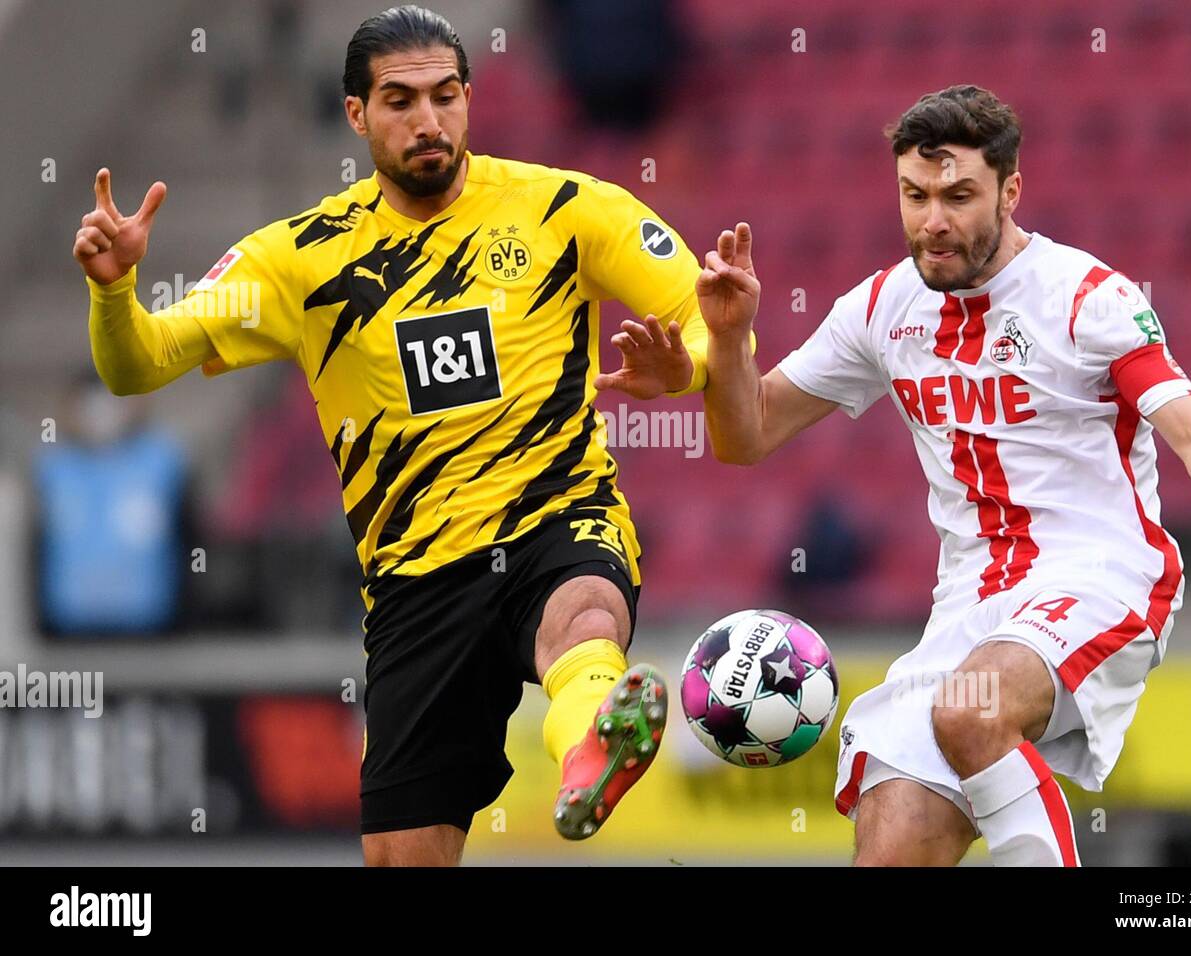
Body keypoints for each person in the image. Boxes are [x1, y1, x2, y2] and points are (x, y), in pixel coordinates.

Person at [73, 5, 737, 865]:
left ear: (468, 99)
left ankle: (591, 748)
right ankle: (585, 737)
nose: (429, 121)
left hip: (557, 518)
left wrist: (685, 368)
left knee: (582, 620)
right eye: (400, 101)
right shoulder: (299, 260)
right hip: (416, 585)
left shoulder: (565, 210)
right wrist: (115, 294)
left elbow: (710, 316)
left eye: (446, 96)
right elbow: (140, 365)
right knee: (402, 858)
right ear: (357, 114)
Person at [697, 85, 1191, 866]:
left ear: (1010, 191)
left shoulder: (1086, 298)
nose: (933, 220)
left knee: (972, 710)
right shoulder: (880, 308)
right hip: (969, 607)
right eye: (916, 195)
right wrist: (730, 344)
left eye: (959, 196)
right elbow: (747, 435)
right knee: (890, 847)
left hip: (1101, 574)